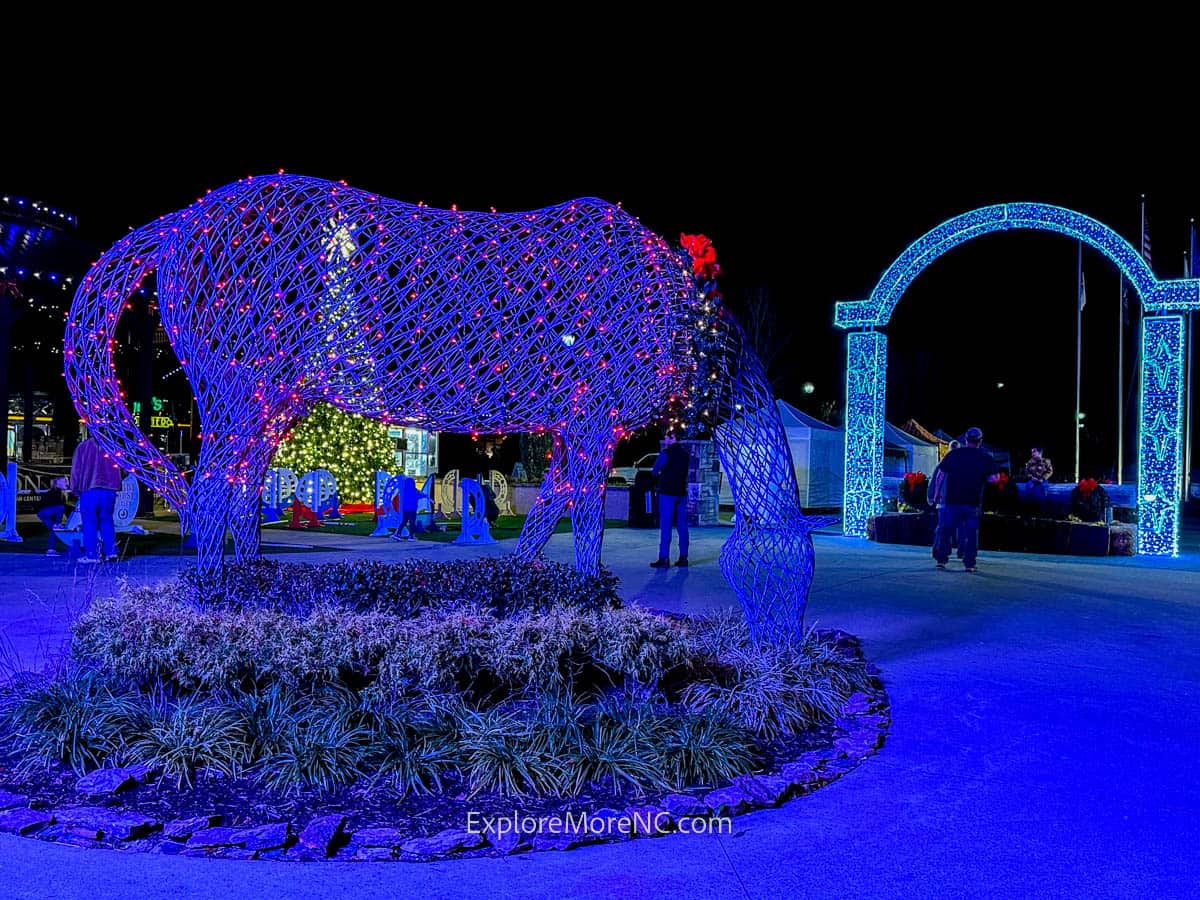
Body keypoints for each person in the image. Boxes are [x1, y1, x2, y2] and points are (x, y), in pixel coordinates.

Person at [931, 426, 998, 572]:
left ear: (966, 440)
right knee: (970, 532)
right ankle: (969, 563)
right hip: (972, 502)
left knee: (946, 530)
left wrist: (937, 493)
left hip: (952, 500)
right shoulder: (985, 458)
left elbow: (940, 474)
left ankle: (941, 560)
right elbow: (994, 479)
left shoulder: (954, 454)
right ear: (980, 441)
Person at [70, 437, 122, 563]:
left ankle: (92, 554)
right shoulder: (114, 445)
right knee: (107, 520)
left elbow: (76, 470)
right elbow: (124, 468)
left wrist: (74, 488)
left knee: (89, 523)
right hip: (109, 489)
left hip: (90, 488)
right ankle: (111, 552)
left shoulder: (83, 447)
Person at [649, 431, 690, 568]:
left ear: (673, 438)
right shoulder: (685, 455)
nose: (664, 439)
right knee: (682, 525)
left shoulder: (665, 454)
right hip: (681, 493)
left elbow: (655, 471)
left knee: (666, 525)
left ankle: (664, 558)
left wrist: (660, 474)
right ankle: (683, 557)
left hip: (667, 493)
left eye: (666, 436)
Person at [36, 476, 69, 557]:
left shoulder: (59, 493)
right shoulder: (56, 492)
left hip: (42, 513)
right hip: (44, 512)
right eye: (64, 481)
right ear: (57, 483)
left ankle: (50, 550)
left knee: (53, 530)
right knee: (60, 507)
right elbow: (61, 508)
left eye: (66, 481)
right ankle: (57, 524)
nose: (66, 483)